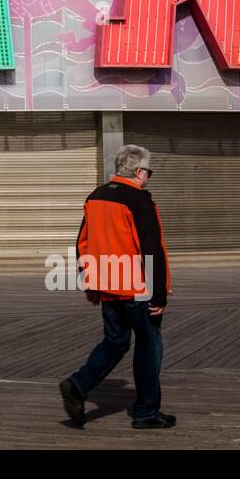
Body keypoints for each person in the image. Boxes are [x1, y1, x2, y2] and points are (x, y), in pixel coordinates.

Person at [59, 144, 173, 430]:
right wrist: (158, 293)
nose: (149, 177)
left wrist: (90, 281)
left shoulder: (96, 197)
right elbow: (151, 250)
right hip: (137, 288)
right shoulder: (139, 200)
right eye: (149, 172)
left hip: (108, 287)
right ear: (138, 171)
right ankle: (146, 412)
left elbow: (82, 243)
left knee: (115, 342)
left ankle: (78, 385)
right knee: (148, 347)